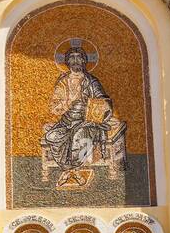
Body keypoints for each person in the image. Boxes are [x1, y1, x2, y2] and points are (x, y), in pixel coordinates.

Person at [41, 43, 125, 189]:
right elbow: (54, 107)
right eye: (72, 58)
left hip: (88, 123)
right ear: (67, 62)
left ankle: (71, 171)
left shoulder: (91, 82)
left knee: (79, 137)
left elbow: (104, 101)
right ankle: (70, 170)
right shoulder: (63, 83)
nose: (75, 61)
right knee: (51, 137)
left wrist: (96, 109)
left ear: (84, 61)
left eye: (78, 58)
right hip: (66, 122)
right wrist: (67, 103)